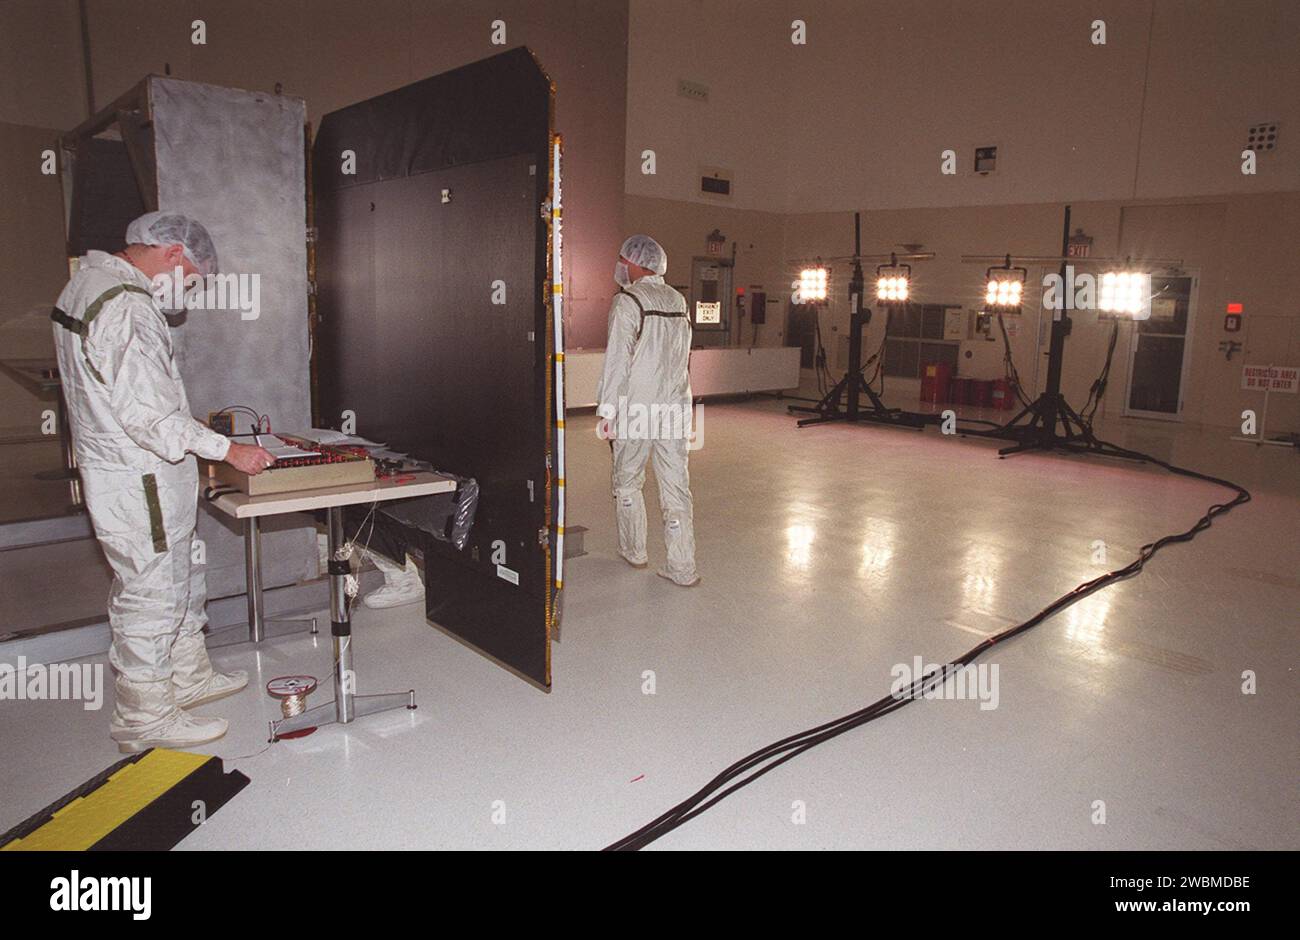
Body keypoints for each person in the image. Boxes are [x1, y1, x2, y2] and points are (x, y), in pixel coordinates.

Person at [51, 211, 275, 752]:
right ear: (173, 253)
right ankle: (144, 716)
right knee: (151, 591)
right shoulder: (126, 306)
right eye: (192, 278)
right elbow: (151, 418)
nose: (188, 293)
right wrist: (229, 450)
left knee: (178, 574)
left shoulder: (89, 284)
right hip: (139, 474)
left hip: (136, 472)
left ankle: (187, 676)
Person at [595, 235, 699, 586]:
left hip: (637, 409)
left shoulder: (628, 302)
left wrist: (607, 411)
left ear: (639, 264)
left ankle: (634, 550)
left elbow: (617, 362)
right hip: (675, 408)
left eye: (623, 258)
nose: (620, 265)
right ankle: (683, 567)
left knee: (627, 482)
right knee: (675, 487)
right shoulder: (679, 300)